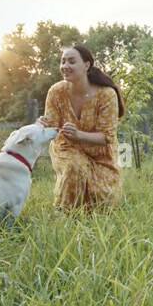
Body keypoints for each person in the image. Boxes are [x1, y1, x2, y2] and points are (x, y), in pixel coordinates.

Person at [38, 44, 126, 212]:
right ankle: (64, 217)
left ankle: (86, 223)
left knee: (102, 202)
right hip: (66, 147)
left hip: (100, 153)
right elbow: (52, 125)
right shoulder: (56, 92)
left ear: (86, 65)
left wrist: (79, 135)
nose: (65, 66)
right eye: (63, 62)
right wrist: (40, 125)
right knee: (75, 167)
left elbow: (107, 137)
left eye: (71, 61)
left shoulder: (106, 94)